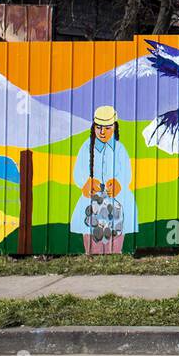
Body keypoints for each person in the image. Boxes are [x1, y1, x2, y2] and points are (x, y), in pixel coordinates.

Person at [70, 105, 137, 254]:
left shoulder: (119, 149)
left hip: (116, 203)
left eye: (107, 128)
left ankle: (114, 253)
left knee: (116, 234)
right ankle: (92, 254)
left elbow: (126, 172)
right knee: (91, 232)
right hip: (92, 202)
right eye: (99, 127)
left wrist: (119, 183)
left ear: (114, 127)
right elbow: (78, 171)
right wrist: (86, 182)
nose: (102, 132)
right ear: (93, 127)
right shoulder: (86, 148)